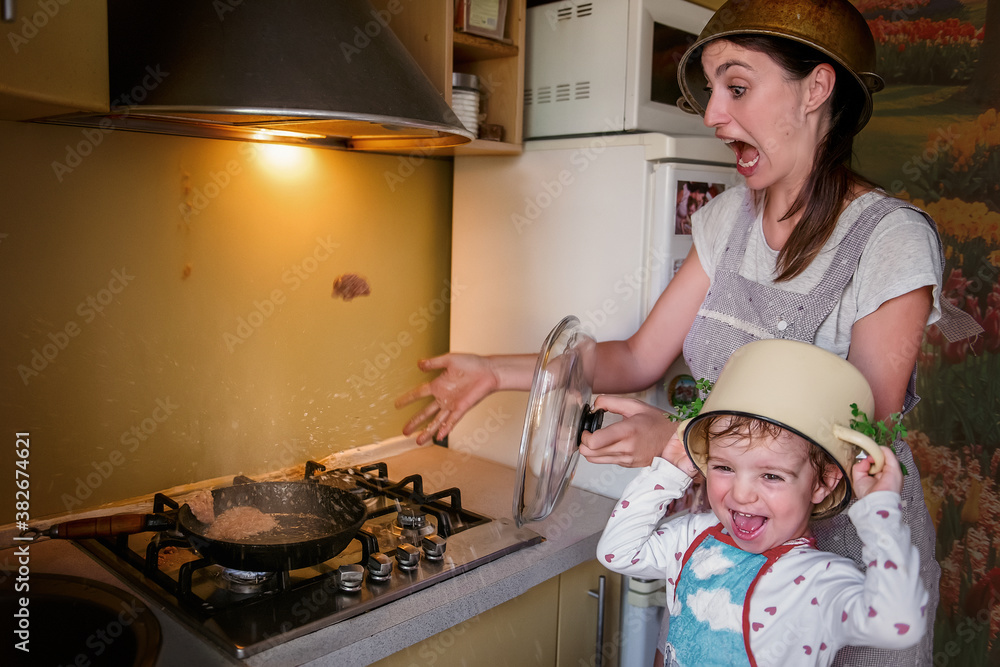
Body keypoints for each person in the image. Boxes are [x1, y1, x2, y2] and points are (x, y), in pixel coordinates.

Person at [395, 1, 980, 663]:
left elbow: (858, 435)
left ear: (817, 88)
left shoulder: (889, 239)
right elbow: (636, 356)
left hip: (844, 575)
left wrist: (682, 446)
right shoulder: (727, 220)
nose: (712, 115)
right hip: (731, 543)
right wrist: (494, 370)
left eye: (737, 87)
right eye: (711, 91)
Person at [597, 339, 929, 666]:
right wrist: (669, 471)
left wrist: (879, 510)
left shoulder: (819, 581)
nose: (741, 494)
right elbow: (617, 553)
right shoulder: (692, 538)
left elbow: (898, 625)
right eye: (724, 467)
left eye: (771, 476)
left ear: (823, 483)